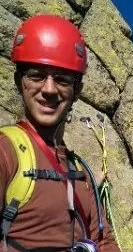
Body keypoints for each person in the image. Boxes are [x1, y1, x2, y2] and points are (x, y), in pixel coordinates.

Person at [0, 14, 120, 252]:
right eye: (36, 75)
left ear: (77, 91)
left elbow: (104, 242)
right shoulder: (6, 152)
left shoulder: (80, 170)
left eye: (62, 80)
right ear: (18, 81)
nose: (49, 89)